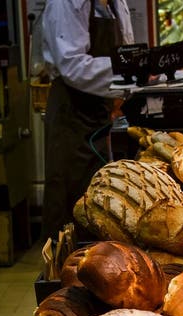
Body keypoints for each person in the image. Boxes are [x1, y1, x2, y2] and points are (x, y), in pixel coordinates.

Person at [40, 0, 135, 242]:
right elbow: (73, 65)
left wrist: (130, 83)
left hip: (99, 110)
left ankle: (100, 268)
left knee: (100, 201)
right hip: (71, 112)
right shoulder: (66, 3)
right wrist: (129, 74)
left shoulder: (116, 3)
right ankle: (65, 274)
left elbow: (125, 50)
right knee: (70, 200)